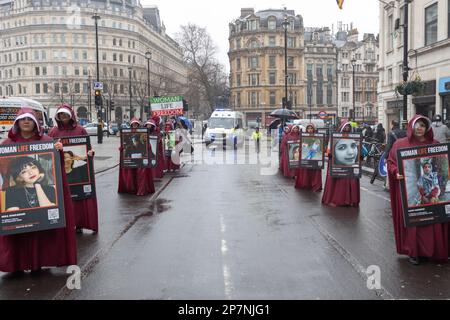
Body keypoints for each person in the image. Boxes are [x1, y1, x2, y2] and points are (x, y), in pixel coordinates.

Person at [0, 108, 77, 273]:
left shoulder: (47, 141)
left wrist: (59, 151)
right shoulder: (6, 145)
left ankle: (38, 262)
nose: (26, 122)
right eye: (22, 119)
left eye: (29, 119)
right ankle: (18, 264)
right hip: (18, 209)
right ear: (17, 123)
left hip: (41, 204)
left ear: (35, 122)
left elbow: (58, 168)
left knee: (41, 229)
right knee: (18, 230)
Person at [387, 114, 449, 265]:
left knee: (434, 220)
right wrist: (396, 172)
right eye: (417, 125)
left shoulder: (435, 144)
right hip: (412, 192)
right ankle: (414, 252)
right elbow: (391, 162)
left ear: (427, 127)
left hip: (433, 193)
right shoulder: (400, 144)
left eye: (422, 125)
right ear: (411, 126)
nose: (419, 128)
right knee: (416, 221)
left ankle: (435, 251)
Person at [49, 104, 98, 234]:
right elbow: (48, 151)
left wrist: (90, 153)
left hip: (76, 176)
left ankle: (80, 223)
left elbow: (88, 148)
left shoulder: (81, 130)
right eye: (60, 114)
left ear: (71, 115)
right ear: (57, 116)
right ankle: (66, 224)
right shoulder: (53, 132)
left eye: (65, 114)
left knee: (79, 200)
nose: (63, 116)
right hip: (59, 171)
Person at [322, 120, 360, 207]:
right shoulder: (335, 137)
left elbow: (358, 147)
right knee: (339, 182)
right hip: (338, 165)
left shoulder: (354, 137)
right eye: (345, 127)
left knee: (351, 181)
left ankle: (351, 199)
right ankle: (337, 198)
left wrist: (359, 155)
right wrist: (330, 154)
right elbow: (329, 149)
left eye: (348, 127)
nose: (347, 129)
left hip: (350, 166)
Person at [118, 117, 155, 196]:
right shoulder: (127, 134)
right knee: (131, 174)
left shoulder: (143, 133)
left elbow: (147, 145)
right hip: (131, 157)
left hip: (141, 157)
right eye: (133, 124)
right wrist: (122, 149)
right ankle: (132, 189)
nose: (134, 126)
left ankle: (141, 190)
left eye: (136, 124)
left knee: (141, 174)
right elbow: (124, 145)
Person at [295, 123, 323, 192]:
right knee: (305, 170)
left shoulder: (318, 136)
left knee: (314, 171)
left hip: (315, 157)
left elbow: (320, 147)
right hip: (306, 156)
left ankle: (315, 184)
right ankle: (305, 183)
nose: (310, 130)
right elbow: (302, 145)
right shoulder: (303, 136)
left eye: (311, 128)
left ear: (313, 129)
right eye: (308, 128)